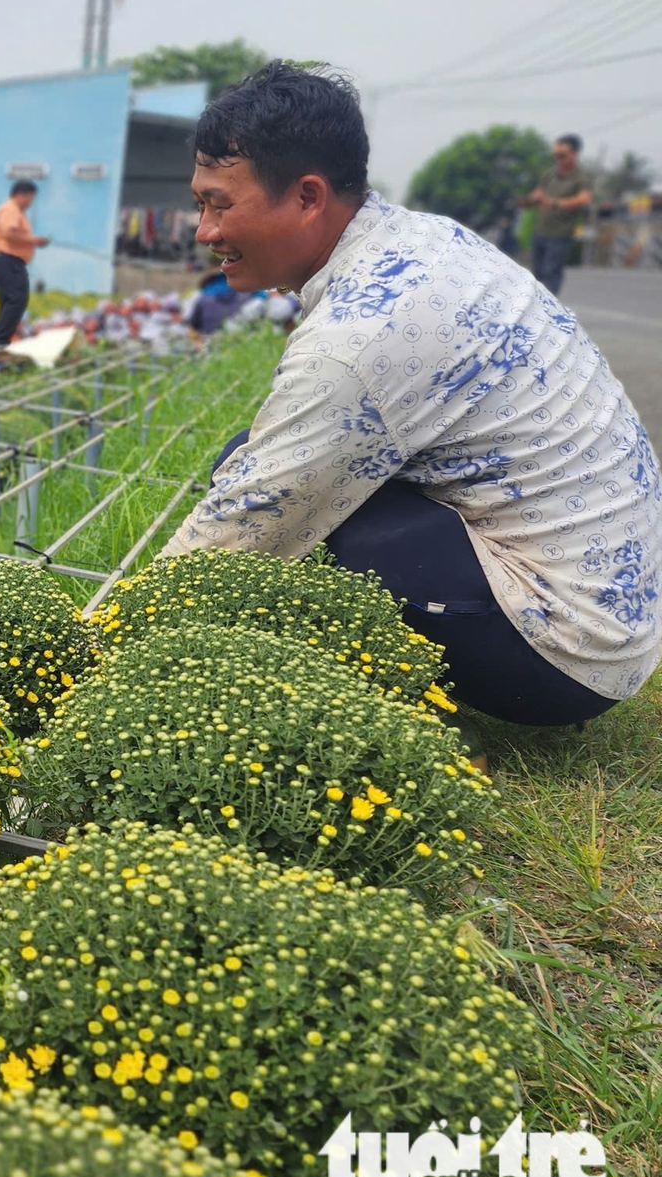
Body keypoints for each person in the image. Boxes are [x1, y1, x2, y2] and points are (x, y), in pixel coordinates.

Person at [164, 63, 659, 726]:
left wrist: (103, 642)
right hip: (620, 603)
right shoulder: (416, 241)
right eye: (200, 205)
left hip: (566, 654)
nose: (204, 230)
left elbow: (244, 521)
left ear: (308, 197)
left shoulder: (360, 336)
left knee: (290, 505)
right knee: (255, 457)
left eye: (219, 204)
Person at [519, 132, 592, 296]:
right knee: (537, 273)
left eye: (562, 155)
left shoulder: (580, 178)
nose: (558, 159)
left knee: (552, 271)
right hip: (541, 230)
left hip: (560, 233)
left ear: (574, 154)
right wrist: (528, 200)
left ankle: (550, 308)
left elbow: (583, 199)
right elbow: (537, 194)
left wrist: (554, 203)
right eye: (556, 155)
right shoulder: (549, 175)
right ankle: (536, 306)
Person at [0, 179, 49, 348]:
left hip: (8, 262)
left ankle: (2, 341)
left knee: (10, 301)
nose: (30, 202)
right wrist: (35, 240)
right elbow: (9, 234)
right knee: (16, 300)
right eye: (30, 198)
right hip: (8, 260)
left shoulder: (17, 212)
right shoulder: (11, 210)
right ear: (21, 195)